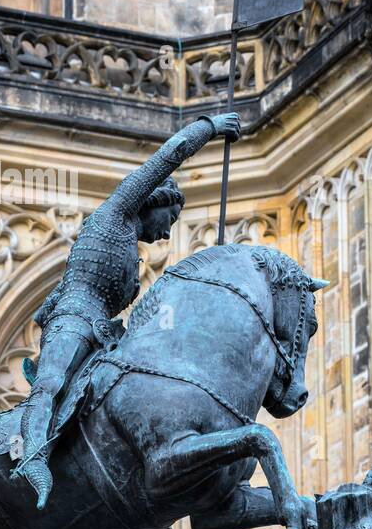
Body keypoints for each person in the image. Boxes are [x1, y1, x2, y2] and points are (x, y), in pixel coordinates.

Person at [12, 112, 242, 508]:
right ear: (155, 202)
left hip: (103, 331)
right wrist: (212, 127)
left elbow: (48, 300)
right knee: (52, 381)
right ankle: (33, 457)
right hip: (76, 317)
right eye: (170, 219)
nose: (168, 232)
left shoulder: (125, 247)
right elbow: (169, 155)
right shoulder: (116, 213)